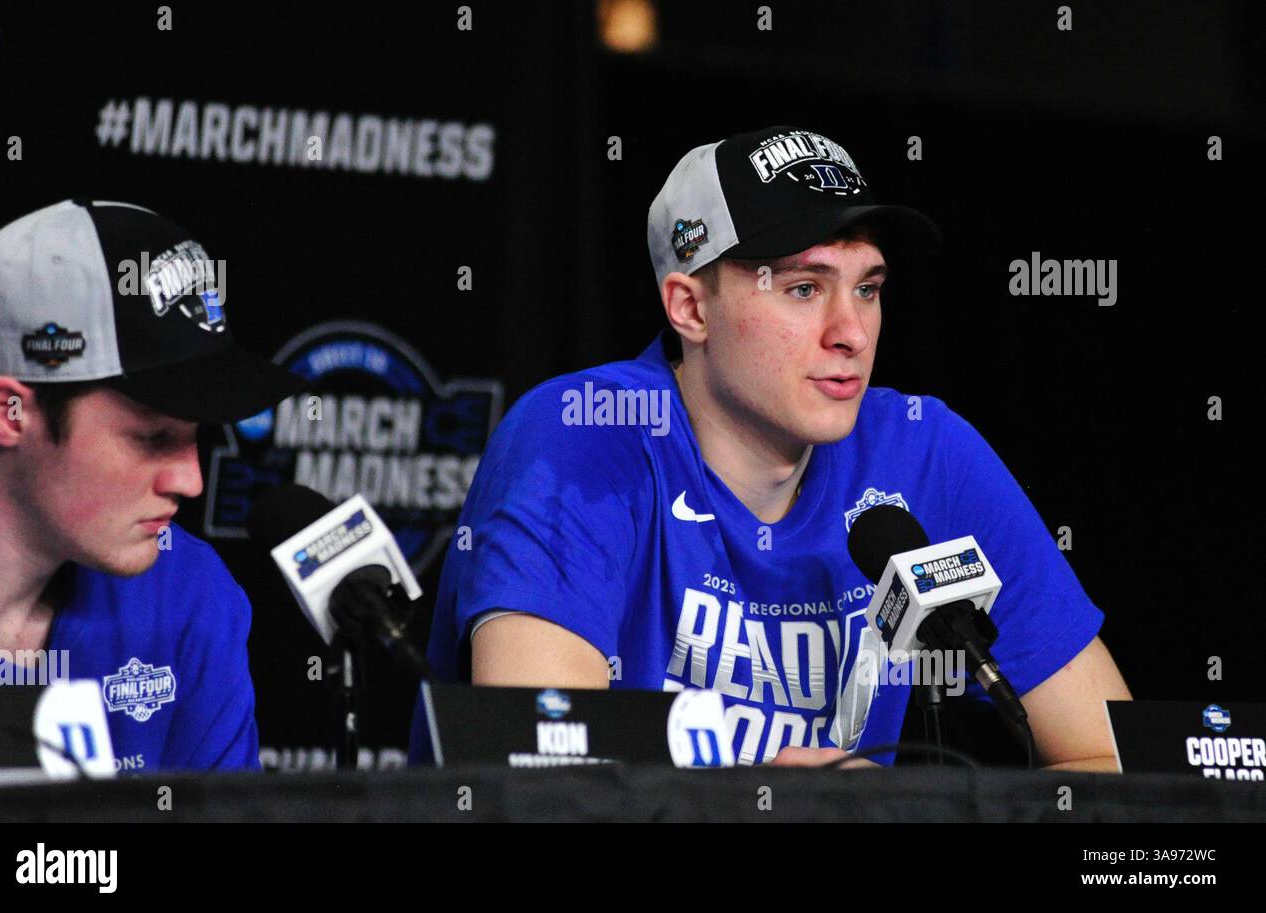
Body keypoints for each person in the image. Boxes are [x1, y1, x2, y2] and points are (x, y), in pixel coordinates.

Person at [411, 126, 1131, 770]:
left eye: (869, 289)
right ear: (691, 307)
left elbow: (1109, 758)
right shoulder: (585, 435)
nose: (850, 331)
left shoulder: (924, 452)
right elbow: (540, 768)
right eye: (803, 288)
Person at [0, 199, 304, 772]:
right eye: (152, 438)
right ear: (11, 413)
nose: (191, 480)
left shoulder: (187, 595)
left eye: (196, 436)